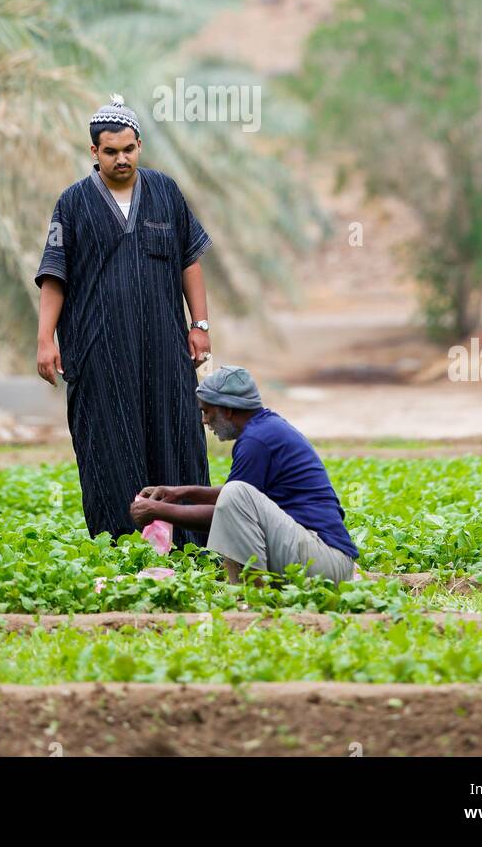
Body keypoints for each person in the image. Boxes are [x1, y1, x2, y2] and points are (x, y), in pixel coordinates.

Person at [35, 94, 214, 545]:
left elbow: (189, 262)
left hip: (164, 347)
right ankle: (119, 540)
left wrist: (200, 325)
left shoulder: (166, 193)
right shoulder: (73, 204)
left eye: (129, 149)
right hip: (98, 349)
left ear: (140, 146)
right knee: (106, 439)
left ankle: (186, 541)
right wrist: (45, 340)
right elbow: (54, 275)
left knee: (175, 433)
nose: (121, 158)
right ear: (94, 152)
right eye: (110, 151)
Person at [129, 364, 360, 583]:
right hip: (321, 558)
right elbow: (236, 503)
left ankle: (252, 596)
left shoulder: (256, 441)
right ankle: (247, 591)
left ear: (227, 409)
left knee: (235, 494)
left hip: (326, 562)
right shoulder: (266, 429)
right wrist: (180, 493)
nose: (204, 420)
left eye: (207, 411)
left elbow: (230, 509)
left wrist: (159, 511)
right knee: (235, 494)